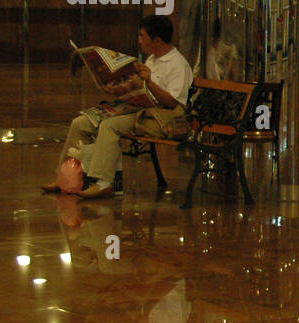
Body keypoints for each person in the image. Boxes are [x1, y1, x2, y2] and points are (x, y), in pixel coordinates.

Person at [42, 16, 194, 198]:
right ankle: (66, 176)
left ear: (157, 40)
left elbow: (173, 103)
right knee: (80, 123)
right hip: (136, 109)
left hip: (157, 118)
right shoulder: (152, 59)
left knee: (109, 126)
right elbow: (140, 90)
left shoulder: (177, 64)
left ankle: (104, 182)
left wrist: (149, 82)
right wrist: (116, 88)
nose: (139, 40)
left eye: (142, 36)